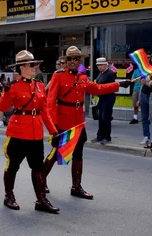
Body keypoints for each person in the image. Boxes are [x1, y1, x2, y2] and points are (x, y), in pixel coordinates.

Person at [45, 46, 130, 200]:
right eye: (70, 59)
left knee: (78, 155)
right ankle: (41, 180)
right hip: (63, 123)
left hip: (78, 123)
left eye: (76, 59)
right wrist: (53, 127)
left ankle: (76, 187)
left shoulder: (82, 78)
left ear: (79, 61)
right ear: (65, 61)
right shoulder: (58, 76)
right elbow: (50, 104)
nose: (72, 61)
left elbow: (98, 89)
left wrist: (119, 84)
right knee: (56, 153)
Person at [0, 51, 60, 213]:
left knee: (38, 167)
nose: (35, 67)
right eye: (32, 65)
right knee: (13, 166)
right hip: (18, 132)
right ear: (22, 67)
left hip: (36, 133)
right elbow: (3, 108)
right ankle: (9, 196)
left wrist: (54, 132)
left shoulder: (39, 86)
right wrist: (5, 92)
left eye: (35, 64)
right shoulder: (13, 86)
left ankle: (40, 200)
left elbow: (45, 111)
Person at [93, 58, 117, 145]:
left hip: (108, 97)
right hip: (101, 98)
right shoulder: (101, 73)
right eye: (98, 65)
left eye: (101, 65)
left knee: (106, 117)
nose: (99, 67)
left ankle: (107, 137)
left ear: (105, 65)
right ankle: (100, 135)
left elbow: (110, 87)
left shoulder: (110, 74)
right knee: (100, 117)